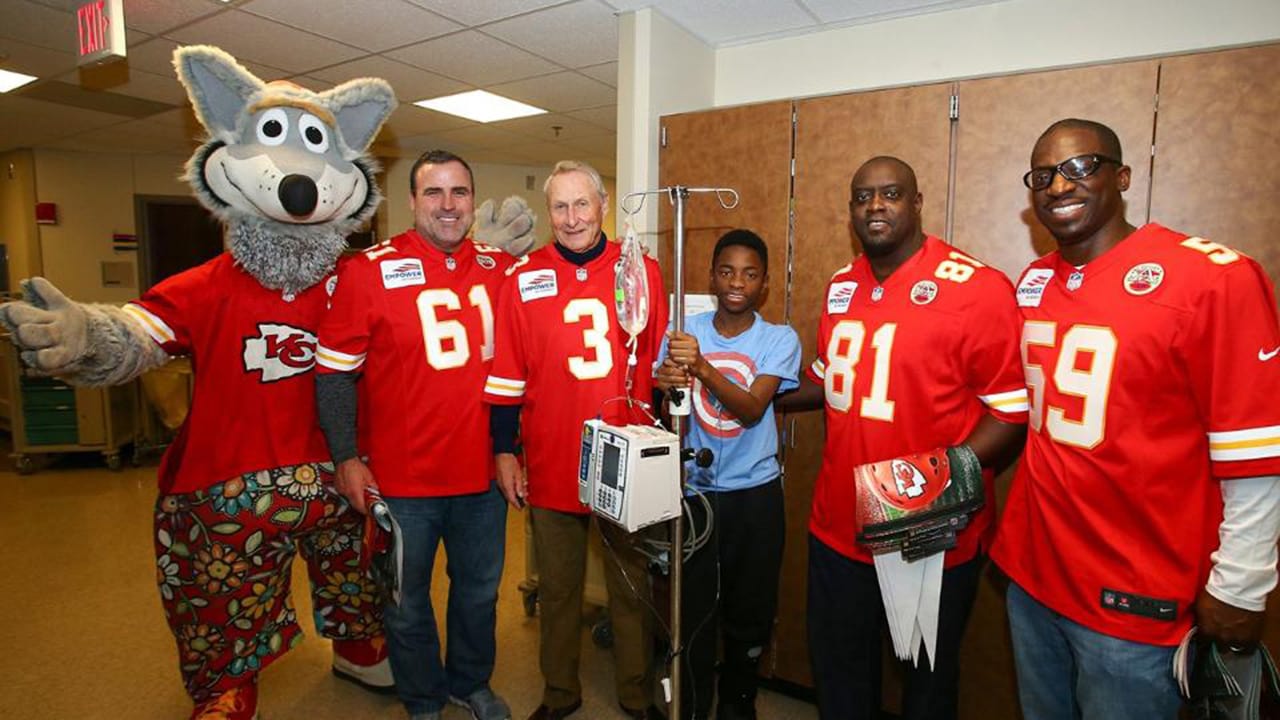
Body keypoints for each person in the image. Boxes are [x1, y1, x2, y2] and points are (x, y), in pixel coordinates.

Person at [990, 118, 1280, 719]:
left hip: (1134, 595)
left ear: (1122, 176)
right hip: (1035, 575)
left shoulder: (1212, 278)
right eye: (1043, 175)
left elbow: (1255, 450)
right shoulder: (1035, 281)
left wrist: (1241, 585)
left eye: (1080, 167)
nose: (1059, 186)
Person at [779, 156, 1028, 720]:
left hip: (930, 530)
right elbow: (829, 379)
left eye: (891, 194)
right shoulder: (843, 286)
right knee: (841, 675)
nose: (875, 206)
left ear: (916, 203)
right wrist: (754, 390)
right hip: (839, 525)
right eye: (862, 196)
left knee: (927, 683)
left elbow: (1012, 411)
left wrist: (930, 489)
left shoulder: (976, 288)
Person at [315, 149, 533, 720]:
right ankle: (422, 698)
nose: (447, 205)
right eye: (433, 193)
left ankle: (469, 681)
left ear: (471, 199)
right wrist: (345, 455)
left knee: (479, 593)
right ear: (412, 201)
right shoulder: (367, 271)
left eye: (459, 192)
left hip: (482, 474)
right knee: (406, 601)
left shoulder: (502, 268)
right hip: (403, 480)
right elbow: (334, 372)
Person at [483, 160, 668, 720]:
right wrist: (504, 452)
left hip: (625, 461)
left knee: (631, 587)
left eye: (581, 204)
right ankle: (559, 693)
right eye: (559, 207)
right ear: (549, 214)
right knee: (558, 588)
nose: (571, 218)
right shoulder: (522, 278)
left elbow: (661, 368)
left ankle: (636, 695)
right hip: (553, 456)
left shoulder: (641, 270)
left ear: (603, 205)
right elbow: (507, 377)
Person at [654, 229, 799, 720]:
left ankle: (739, 702)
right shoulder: (682, 332)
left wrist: (702, 367)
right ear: (712, 277)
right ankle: (692, 705)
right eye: (727, 271)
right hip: (695, 496)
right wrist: (666, 382)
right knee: (692, 611)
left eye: (750, 273)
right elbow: (663, 408)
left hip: (754, 499)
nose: (737, 282)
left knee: (749, 609)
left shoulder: (779, 338)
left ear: (764, 284)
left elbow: (753, 408)